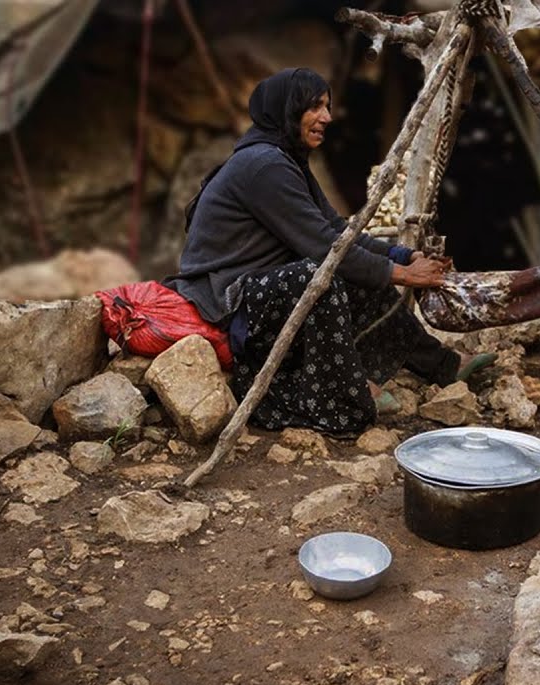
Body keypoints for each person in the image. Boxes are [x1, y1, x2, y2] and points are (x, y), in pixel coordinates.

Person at [165, 68, 491, 436]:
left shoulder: (288, 161)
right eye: (315, 107)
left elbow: (337, 230)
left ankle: (443, 365)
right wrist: (402, 275)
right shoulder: (263, 166)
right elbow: (323, 246)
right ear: (287, 109)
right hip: (227, 303)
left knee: (348, 270)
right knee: (320, 275)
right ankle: (343, 392)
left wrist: (400, 257)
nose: (327, 117)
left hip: (256, 292)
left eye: (327, 106)